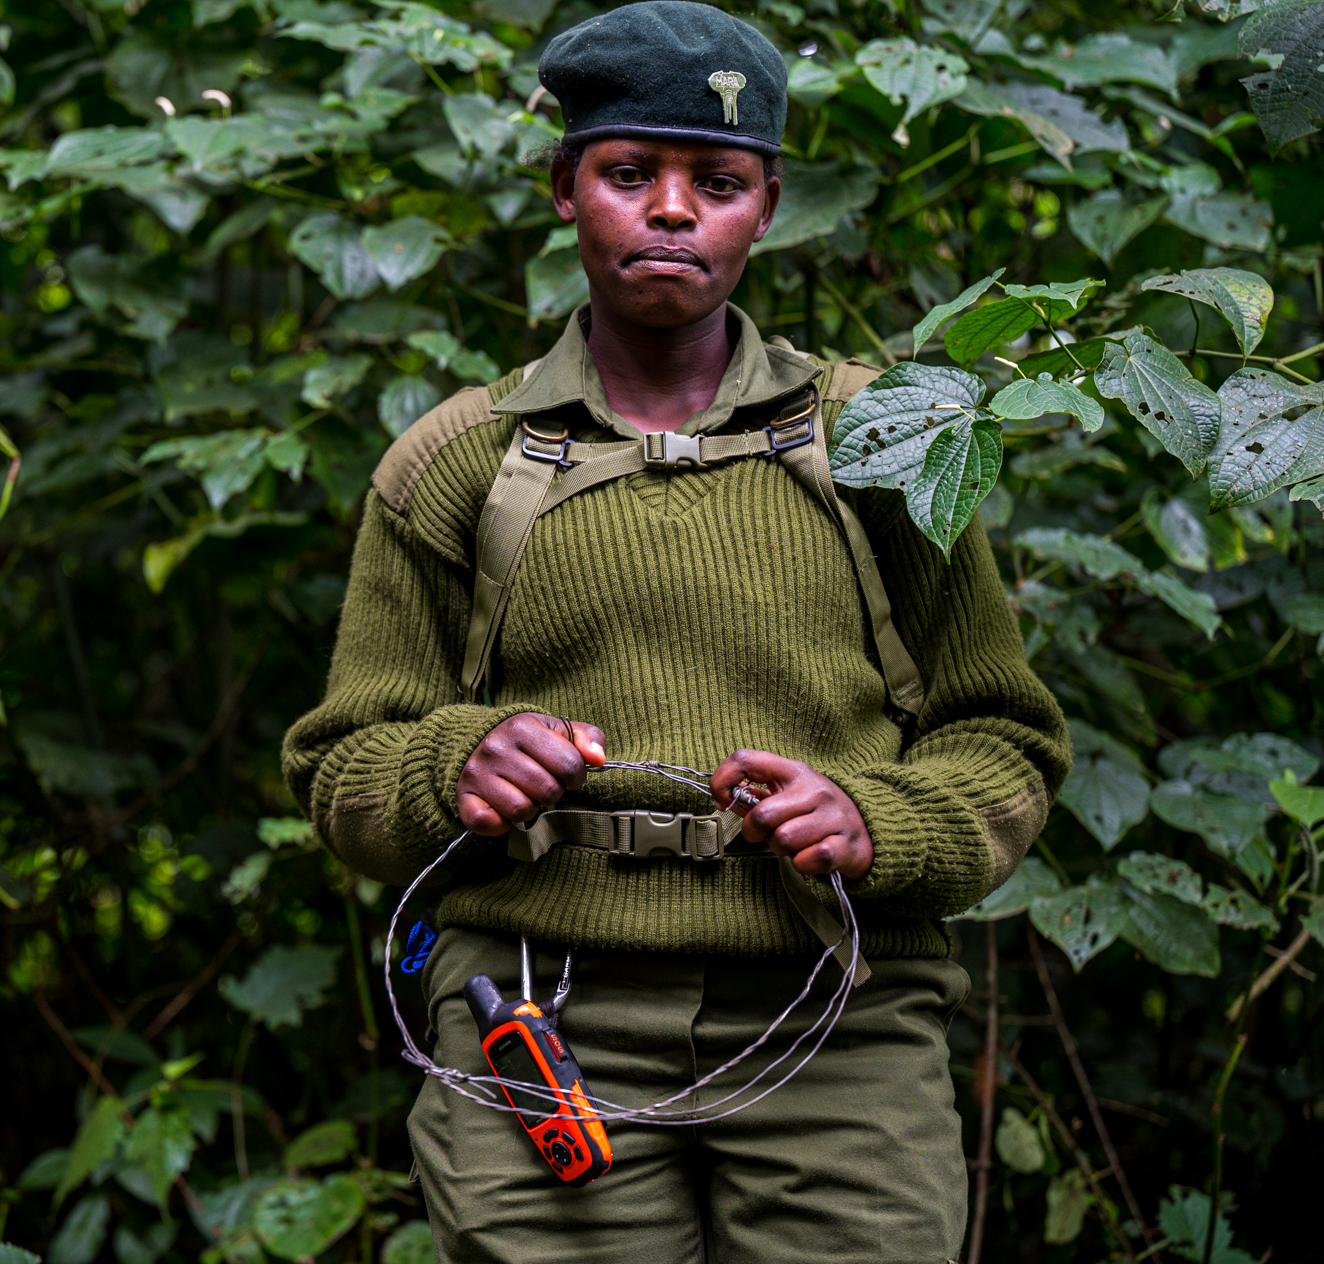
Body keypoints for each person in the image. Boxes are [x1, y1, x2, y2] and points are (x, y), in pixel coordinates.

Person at [281, 3, 1071, 1259]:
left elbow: (1003, 738)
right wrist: (454, 765)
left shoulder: (880, 441)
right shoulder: (458, 463)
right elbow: (340, 766)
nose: (669, 209)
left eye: (715, 181)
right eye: (628, 173)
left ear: (768, 207)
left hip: (839, 1015)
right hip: (537, 1011)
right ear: (564, 189)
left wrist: (878, 821)